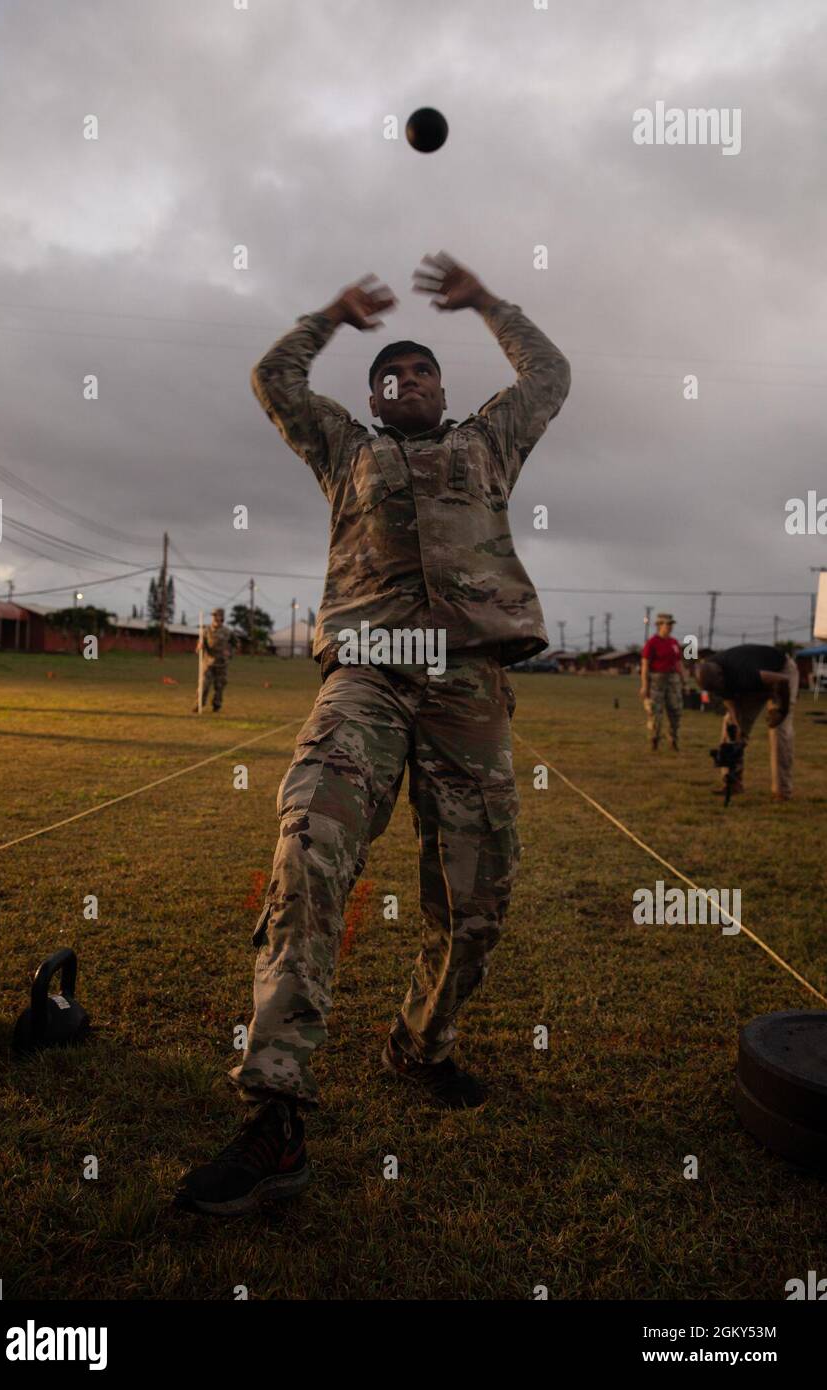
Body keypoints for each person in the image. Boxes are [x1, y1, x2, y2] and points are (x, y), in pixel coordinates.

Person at [175, 252, 571, 1214]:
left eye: (422, 370)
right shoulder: (342, 449)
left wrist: (484, 302)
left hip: (466, 687)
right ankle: (274, 1114)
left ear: (442, 386)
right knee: (309, 837)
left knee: (476, 899)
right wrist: (329, 314)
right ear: (370, 393)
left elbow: (549, 376)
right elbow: (274, 377)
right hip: (365, 678)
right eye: (388, 373)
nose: (406, 382)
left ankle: (421, 1044)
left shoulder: (488, 445)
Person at [696, 643, 798, 801]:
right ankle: (732, 783)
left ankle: (782, 791)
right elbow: (728, 697)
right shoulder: (713, 676)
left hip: (780, 673)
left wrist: (781, 711)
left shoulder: (744, 671)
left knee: (779, 731)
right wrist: (737, 723)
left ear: (722, 676)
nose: (719, 689)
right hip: (752, 685)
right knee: (730, 727)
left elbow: (782, 681)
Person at [640, 612, 684, 751]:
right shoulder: (652, 643)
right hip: (657, 680)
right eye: (667, 624)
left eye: (671, 624)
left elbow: (678, 662)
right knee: (655, 712)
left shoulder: (674, 642)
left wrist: (684, 680)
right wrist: (644, 685)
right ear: (659, 625)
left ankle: (673, 739)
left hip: (673, 680)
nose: (670, 627)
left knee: (675, 710)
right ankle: (654, 740)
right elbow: (645, 665)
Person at [194, 608, 235, 713]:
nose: (214, 618)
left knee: (219, 687)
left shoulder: (227, 632)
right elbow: (199, 647)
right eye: (213, 616)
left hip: (222, 664)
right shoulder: (206, 630)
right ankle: (199, 704)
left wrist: (229, 652)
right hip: (208, 663)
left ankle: (217, 705)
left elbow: (236, 644)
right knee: (203, 685)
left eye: (216, 615)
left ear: (221, 617)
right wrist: (200, 647)